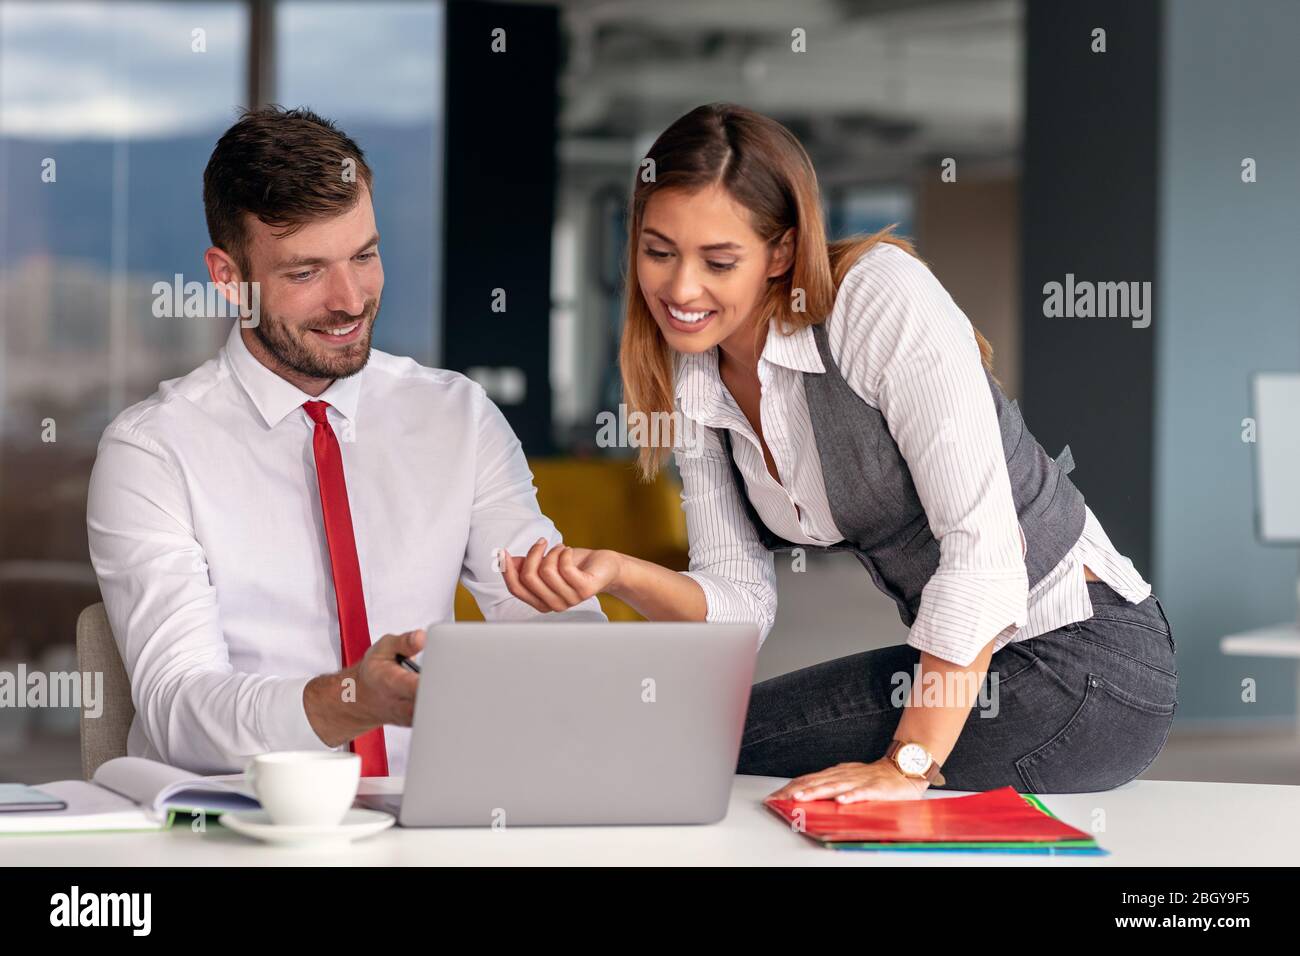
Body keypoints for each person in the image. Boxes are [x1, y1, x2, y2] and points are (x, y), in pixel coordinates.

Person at [503, 102, 1177, 802]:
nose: (680, 288)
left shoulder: (875, 298)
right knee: (698, 741)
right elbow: (741, 608)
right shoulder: (697, 377)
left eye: (719, 260)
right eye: (658, 251)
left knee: (706, 748)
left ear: (783, 251)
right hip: (985, 670)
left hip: (1084, 665)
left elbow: (984, 553)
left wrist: (907, 765)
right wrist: (618, 573)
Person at [87, 106, 603, 776]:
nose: (351, 299)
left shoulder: (458, 417)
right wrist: (353, 700)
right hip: (243, 828)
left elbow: (555, 623)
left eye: (365, 255)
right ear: (226, 277)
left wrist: (587, 659)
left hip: (430, 819)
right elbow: (179, 710)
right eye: (305, 273)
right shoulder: (153, 453)